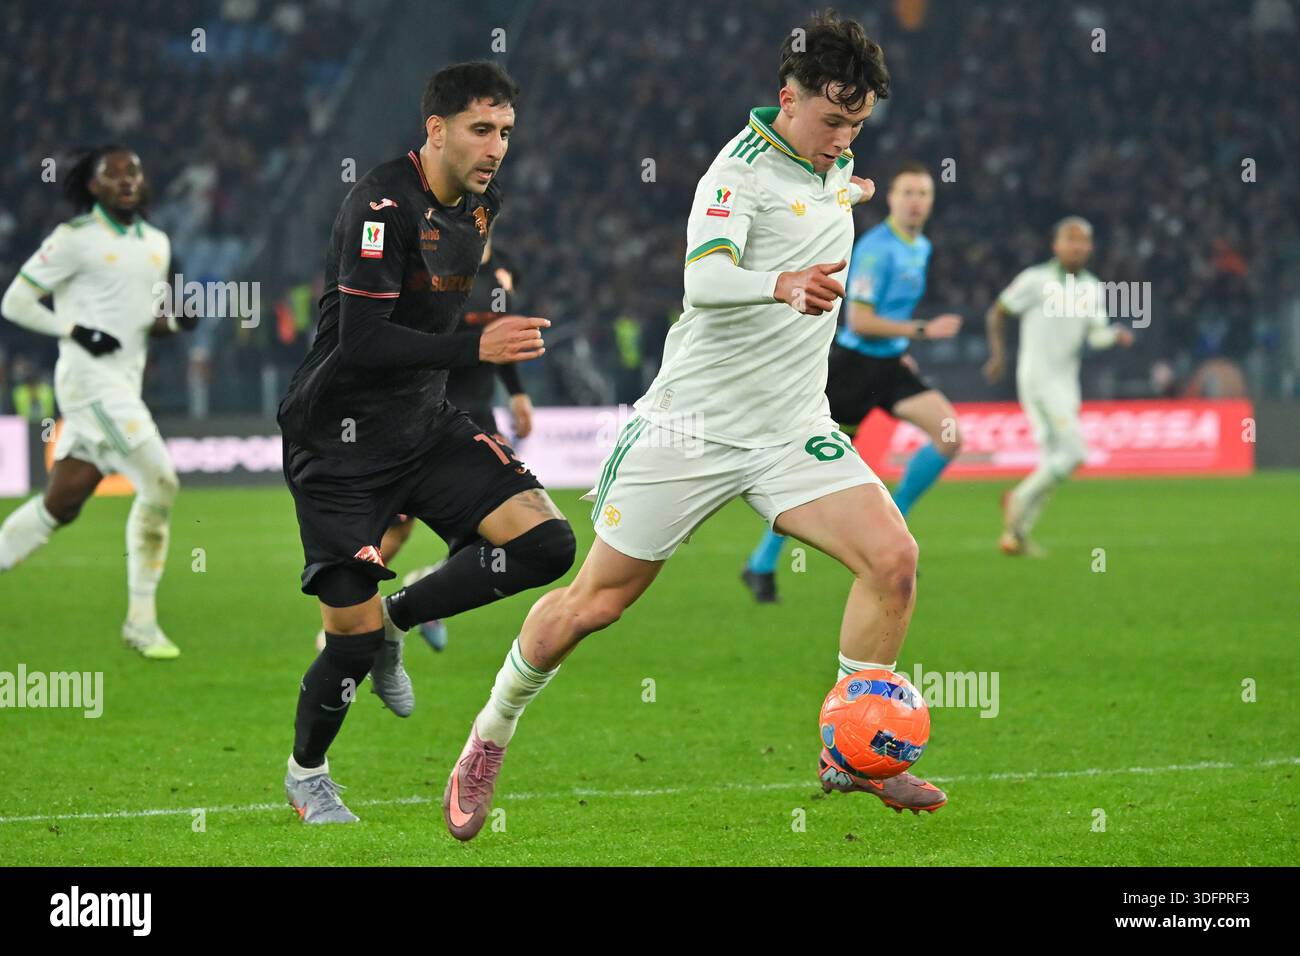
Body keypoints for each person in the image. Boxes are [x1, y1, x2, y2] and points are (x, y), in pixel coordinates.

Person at [442, 13, 946, 843]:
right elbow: (704, 283)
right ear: (787, 100)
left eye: (856, 125)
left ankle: (856, 749)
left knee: (893, 561)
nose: (842, 139)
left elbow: (827, 188)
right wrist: (780, 282)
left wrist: (840, 183)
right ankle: (490, 734)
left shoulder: (836, 163)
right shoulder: (735, 173)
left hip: (790, 428)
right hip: (691, 429)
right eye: (830, 121)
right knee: (592, 605)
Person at [276, 61, 576, 824]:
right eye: (482, 129)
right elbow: (365, 340)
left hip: (425, 422)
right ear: (435, 130)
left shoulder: (482, 206)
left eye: (506, 132)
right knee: (345, 642)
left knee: (545, 544)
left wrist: (476, 346)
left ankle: (400, 619)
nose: (497, 147)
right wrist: (479, 348)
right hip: (337, 445)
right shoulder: (380, 204)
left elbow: (432, 322)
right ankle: (307, 773)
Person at [0, 145, 194, 659]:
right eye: (113, 174)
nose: (126, 180)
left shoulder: (157, 243)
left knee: (60, 504)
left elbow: (142, 320)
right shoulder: (73, 240)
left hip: (122, 385)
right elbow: (14, 301)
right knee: (161, 482)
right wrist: (74, 329)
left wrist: (176, 321)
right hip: (89, 384)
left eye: (134, 171)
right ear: (93, 186)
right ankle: (141, 621)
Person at [743, 162, 963, 602]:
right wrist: (922, 331)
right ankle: (760, 564)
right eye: (908, 193)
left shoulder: (920, 246)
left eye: (924, 193)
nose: (916, 201)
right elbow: (860, 321)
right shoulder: (878, 249)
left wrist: (904, 350)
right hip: (851, 369)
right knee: (813, 475)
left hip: (890, 365)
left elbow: (889, 316)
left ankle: (892, 535)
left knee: (949, 435)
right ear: (892, 199)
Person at [983, 217, 1134, 555]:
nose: (1077, 246)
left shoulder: (1092, 287)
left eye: (1083, 240)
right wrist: (997, 356)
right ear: (1056, 245)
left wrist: (1114, 334)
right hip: (1038, 380)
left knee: (1055, 462)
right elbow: (998, 311)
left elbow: (1095, 336)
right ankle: (1018, 499)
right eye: (1071, 239)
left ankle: (1015, 536)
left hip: (1067, 384)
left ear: (1090, 247)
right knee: (1075, 453)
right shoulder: (1035, 280)